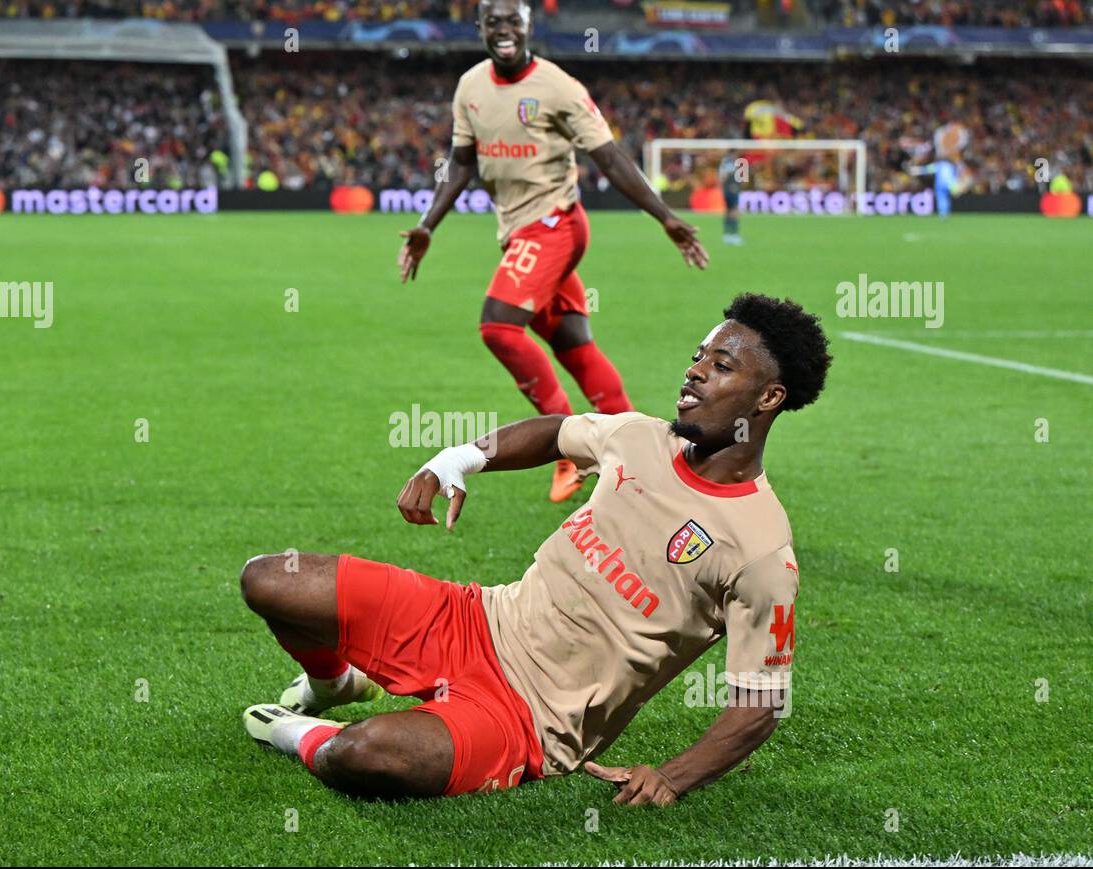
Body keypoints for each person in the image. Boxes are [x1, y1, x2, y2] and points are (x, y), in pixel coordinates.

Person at [241, 293, 832, 805]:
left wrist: (673, 777)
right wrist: (458, 459)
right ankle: (335, 684)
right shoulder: (638, 438)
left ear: (768, 397)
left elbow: (759, 706)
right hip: (475, 618)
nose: (696, 372)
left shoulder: (760, 548)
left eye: (721, 365)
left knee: (363, 754)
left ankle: (296, 731)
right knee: (267, 580)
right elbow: (555, 432)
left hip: (528, 718)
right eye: (697, 357)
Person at [397, 0, 709, 504]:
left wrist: (664, 215)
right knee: (574, 346)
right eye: (493, 22)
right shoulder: (470, 87)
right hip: (521, 233)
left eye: (513, 21)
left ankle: (567, 450)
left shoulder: (558, 87)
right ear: (480, 28)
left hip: (556, 224)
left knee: (498, 326)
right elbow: (459, 163)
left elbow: (607, 155)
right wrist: (427, 225)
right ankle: (646, 459)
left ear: (528, 26)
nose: (504, 30)